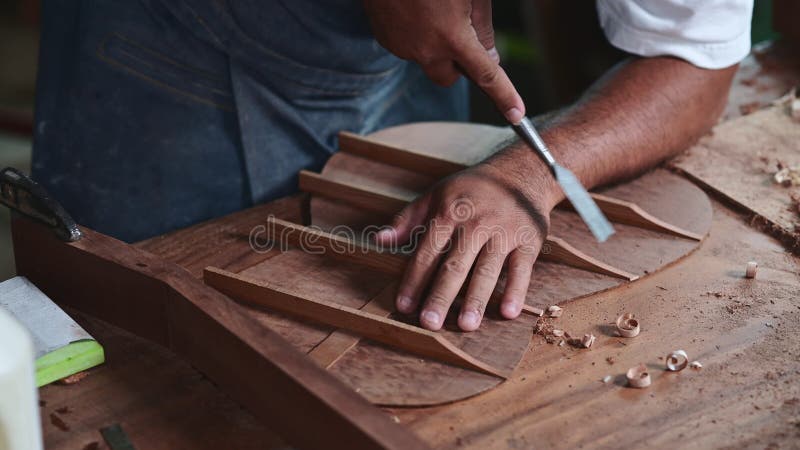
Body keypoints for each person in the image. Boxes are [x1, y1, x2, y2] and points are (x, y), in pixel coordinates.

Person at [31, 0, 753, 331]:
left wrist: (533, 172)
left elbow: (697, 57)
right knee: (136, 328)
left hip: (402, 49)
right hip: (174, 38)